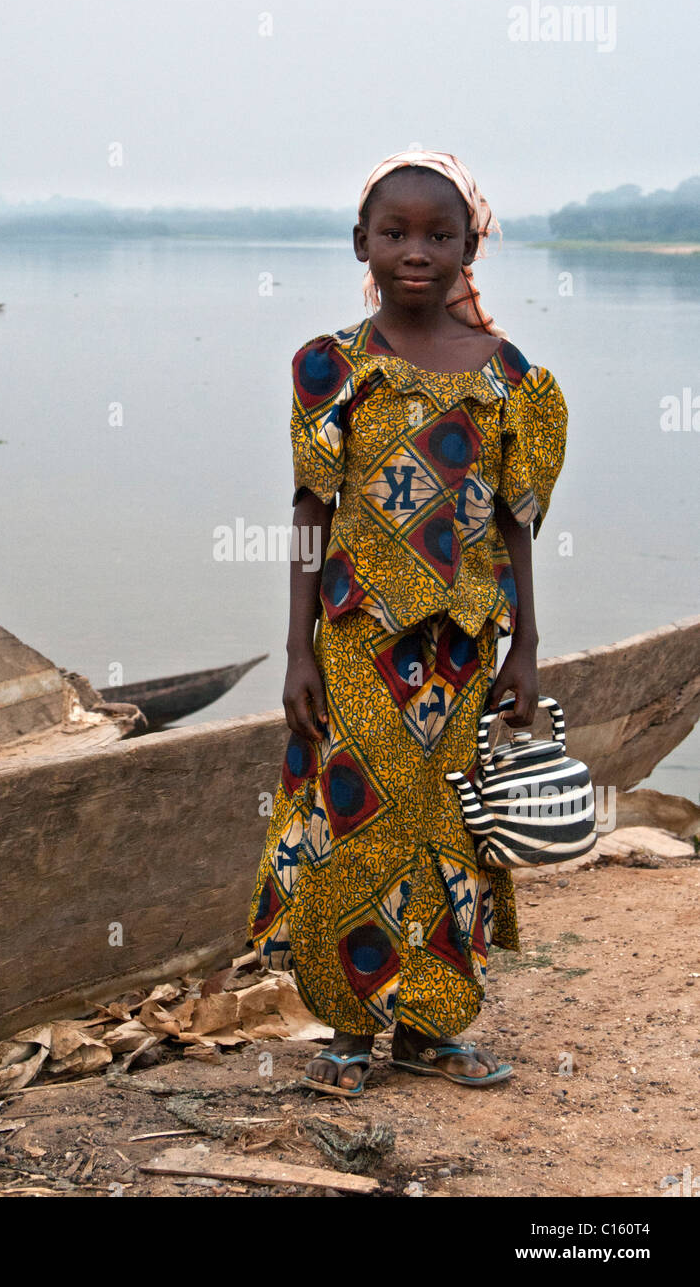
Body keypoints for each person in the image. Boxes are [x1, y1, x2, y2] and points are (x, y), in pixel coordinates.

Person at [247, 149, 568, 1095]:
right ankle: (349, 1030)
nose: (416, 251)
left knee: (452, 832)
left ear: (472, 246)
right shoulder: (331, 369)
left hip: (467, 648)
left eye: (439, 235)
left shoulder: (515, 381)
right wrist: (299, 646)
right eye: (396, 234)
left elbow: (517, 524)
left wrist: (531, 649)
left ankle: (431, 1027)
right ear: (363, 245)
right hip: (353, 643)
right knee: (351, 824)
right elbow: (311, 514)